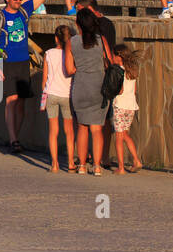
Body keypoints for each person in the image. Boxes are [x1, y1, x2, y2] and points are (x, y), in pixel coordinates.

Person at [0, 0, 58, 151]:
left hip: (22, 62)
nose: (19, 0)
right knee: (11, 100)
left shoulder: (25, 10)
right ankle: (13, 139)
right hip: (8, 63)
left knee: (21, 103)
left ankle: (16, 136)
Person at [64, 9, 116, 175]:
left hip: (80, 87)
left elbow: (70, 69)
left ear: (78, 24)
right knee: (96, 128)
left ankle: (81, 166)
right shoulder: (101, 40)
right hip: (99, 88)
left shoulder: (72, 42)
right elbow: (111, 63)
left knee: (82, 127)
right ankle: (98, 166)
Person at [42, 24, 78, 172]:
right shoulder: (72, 53)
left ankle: (54, 164)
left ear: (56, 38)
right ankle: (70, 162)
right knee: (69, 131)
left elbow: (44, 78)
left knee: (53, 131)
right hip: (66, 94)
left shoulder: (49, 53)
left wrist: (42, 98)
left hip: (51, 93)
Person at [111, 43, 144, 173]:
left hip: (120, 105)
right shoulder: (132, 71)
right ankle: (136, 160)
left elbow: (120, 90)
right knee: (125, 134)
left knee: (118, 137)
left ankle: (120, 167)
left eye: (114, 55)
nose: (112, 58)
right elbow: (134, 89)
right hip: (131, 105)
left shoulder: (118, 70)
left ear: (119, 56)